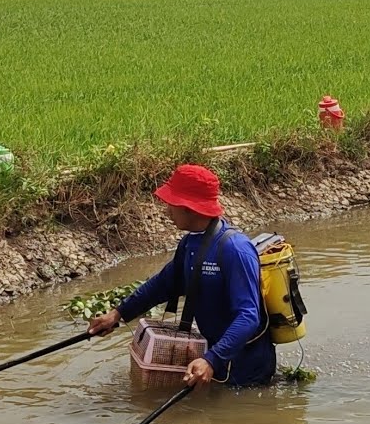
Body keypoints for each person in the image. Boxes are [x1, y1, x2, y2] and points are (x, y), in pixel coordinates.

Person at [87, 164, 275, 387]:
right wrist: (118, 314)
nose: (167, 211)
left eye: (172, 203)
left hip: (246, 368)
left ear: (189, 208)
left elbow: (248, 316)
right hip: (213, 357)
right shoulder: (190, 244)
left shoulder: (235, 249)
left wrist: (211, 360)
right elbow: (162, 284)